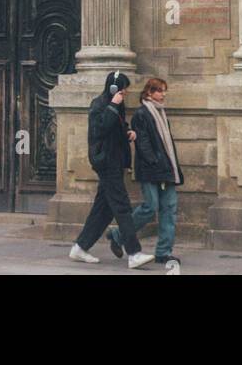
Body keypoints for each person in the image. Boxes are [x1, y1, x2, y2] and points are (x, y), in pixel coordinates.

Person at [69, 70, 155, 269]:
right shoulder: (99, 105)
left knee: (104, 210)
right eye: (122, 91)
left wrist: (128, 132)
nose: (124, 94)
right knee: (122, 206)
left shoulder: (115, 105)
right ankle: (134, 253)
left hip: (115, 161)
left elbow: (116, 128)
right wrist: (113, 105)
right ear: (113, 88)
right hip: (106, 163)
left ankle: (80, 247)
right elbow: (100, 129)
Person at [107, 76, 183, 269]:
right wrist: (156, 163)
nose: (163, 94)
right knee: (150, 207)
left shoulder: (162, 113)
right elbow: (144, 144)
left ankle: (163, 252)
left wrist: (168, 166)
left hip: (167, 169)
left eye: (164, 90)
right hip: (151, 170)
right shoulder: (142, 114)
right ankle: (118, 235)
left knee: (169, 209)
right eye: (160, 91)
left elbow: (167, 145)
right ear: (149, 92)